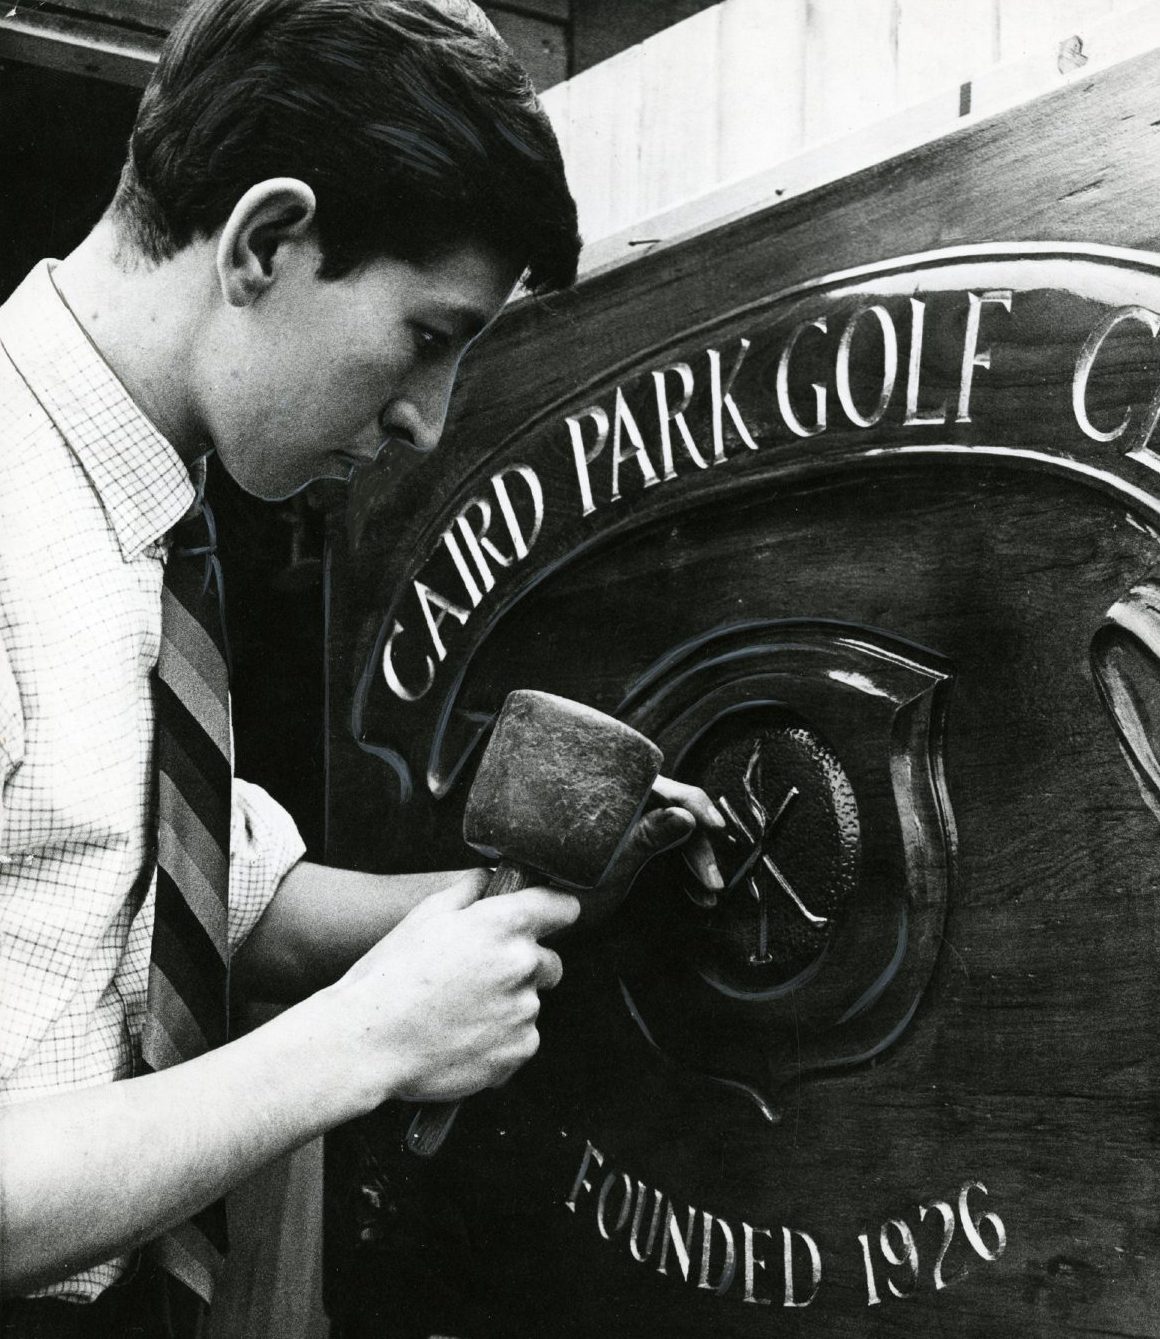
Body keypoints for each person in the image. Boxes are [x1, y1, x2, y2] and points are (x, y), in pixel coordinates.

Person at [0, 0, 723, 1331]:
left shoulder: (139, 518)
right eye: (429, 336)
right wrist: (363, 1042)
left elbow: (214, 905)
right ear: (268, 240)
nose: (423, 422)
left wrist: (517, 899)